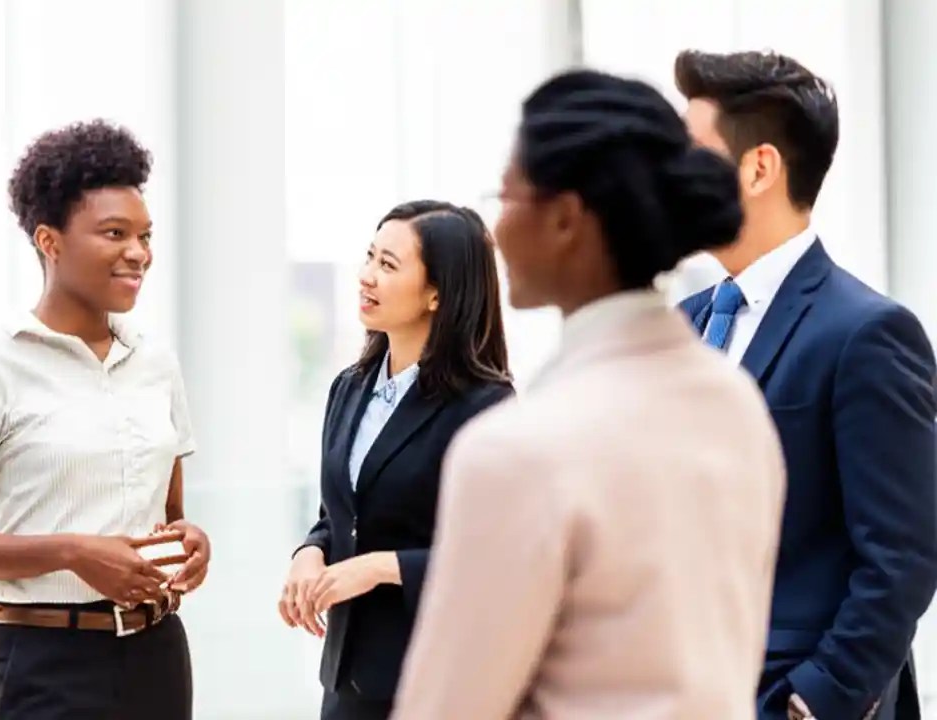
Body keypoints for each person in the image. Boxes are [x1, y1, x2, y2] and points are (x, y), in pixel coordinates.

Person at [392, 69, 787, 719]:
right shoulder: (736, 404)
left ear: (566, 218)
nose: (498, 226)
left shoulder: (517, 451)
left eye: (508, 194)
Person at [676, 50, 937, 720]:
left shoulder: (867, 333)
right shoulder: (683, 326)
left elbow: (904, 555)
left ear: (759, 166)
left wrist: (815, 699)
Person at [0, 120, 207, 720]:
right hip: (43, 659)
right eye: (114, 233)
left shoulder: (155, 361)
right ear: (49, 241)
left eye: (144, 235)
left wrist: (191, 542)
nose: (138, 252)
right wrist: (70, 552)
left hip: (158, 652)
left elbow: (169, 518)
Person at [279, 200, 514, 719]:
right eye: (369, 257)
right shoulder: (350, 387)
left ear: (437, 293)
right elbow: (339, 514)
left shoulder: (488, 407)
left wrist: (381, 569)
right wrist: (309, 554)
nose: (366, 277)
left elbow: (497, 557)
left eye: (388, 265)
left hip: (438, 681)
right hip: (347, 680)